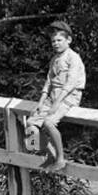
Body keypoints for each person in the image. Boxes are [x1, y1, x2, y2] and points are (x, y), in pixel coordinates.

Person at [24, 20, 85, 172]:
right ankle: (49, 154)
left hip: (68, 96)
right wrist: (41, 102)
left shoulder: (73, 58)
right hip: (52, 97)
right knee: (31, 125)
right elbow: (49, 82)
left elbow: (70, 83)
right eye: (53, 41)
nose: (55, 44)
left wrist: (57, 103)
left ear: (68, 40)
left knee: (49, 123)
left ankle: (60, 158)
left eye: (59, 40)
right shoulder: (54, 59)